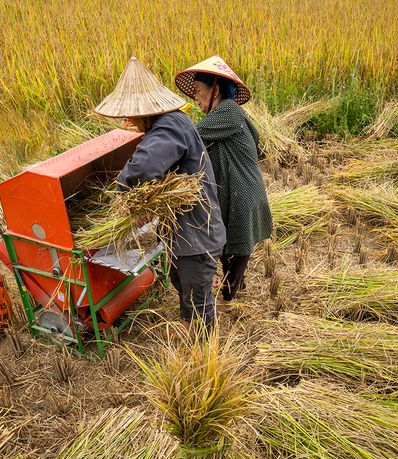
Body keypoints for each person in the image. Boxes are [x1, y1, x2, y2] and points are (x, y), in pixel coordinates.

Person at [94, 57, 226, 328]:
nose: (129, 121)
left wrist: (122, 191)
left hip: (197, 234)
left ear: (144, 110)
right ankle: (193, 334)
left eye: (131, 115)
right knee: (183, 285)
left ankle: (204, 356)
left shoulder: (169, 126)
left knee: (197, 301)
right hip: (187, 233)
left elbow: (144, 167)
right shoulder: (171, 123)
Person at [175, 57, 272, 308]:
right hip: (237, 189)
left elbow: (190, 138)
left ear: (215, 90)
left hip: (244, 191)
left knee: (238, 247)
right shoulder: (226, 114)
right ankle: (232, 285)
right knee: (228, 242)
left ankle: (228, 300)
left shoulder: (227, 111)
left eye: (198, 91)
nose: (195, 98)